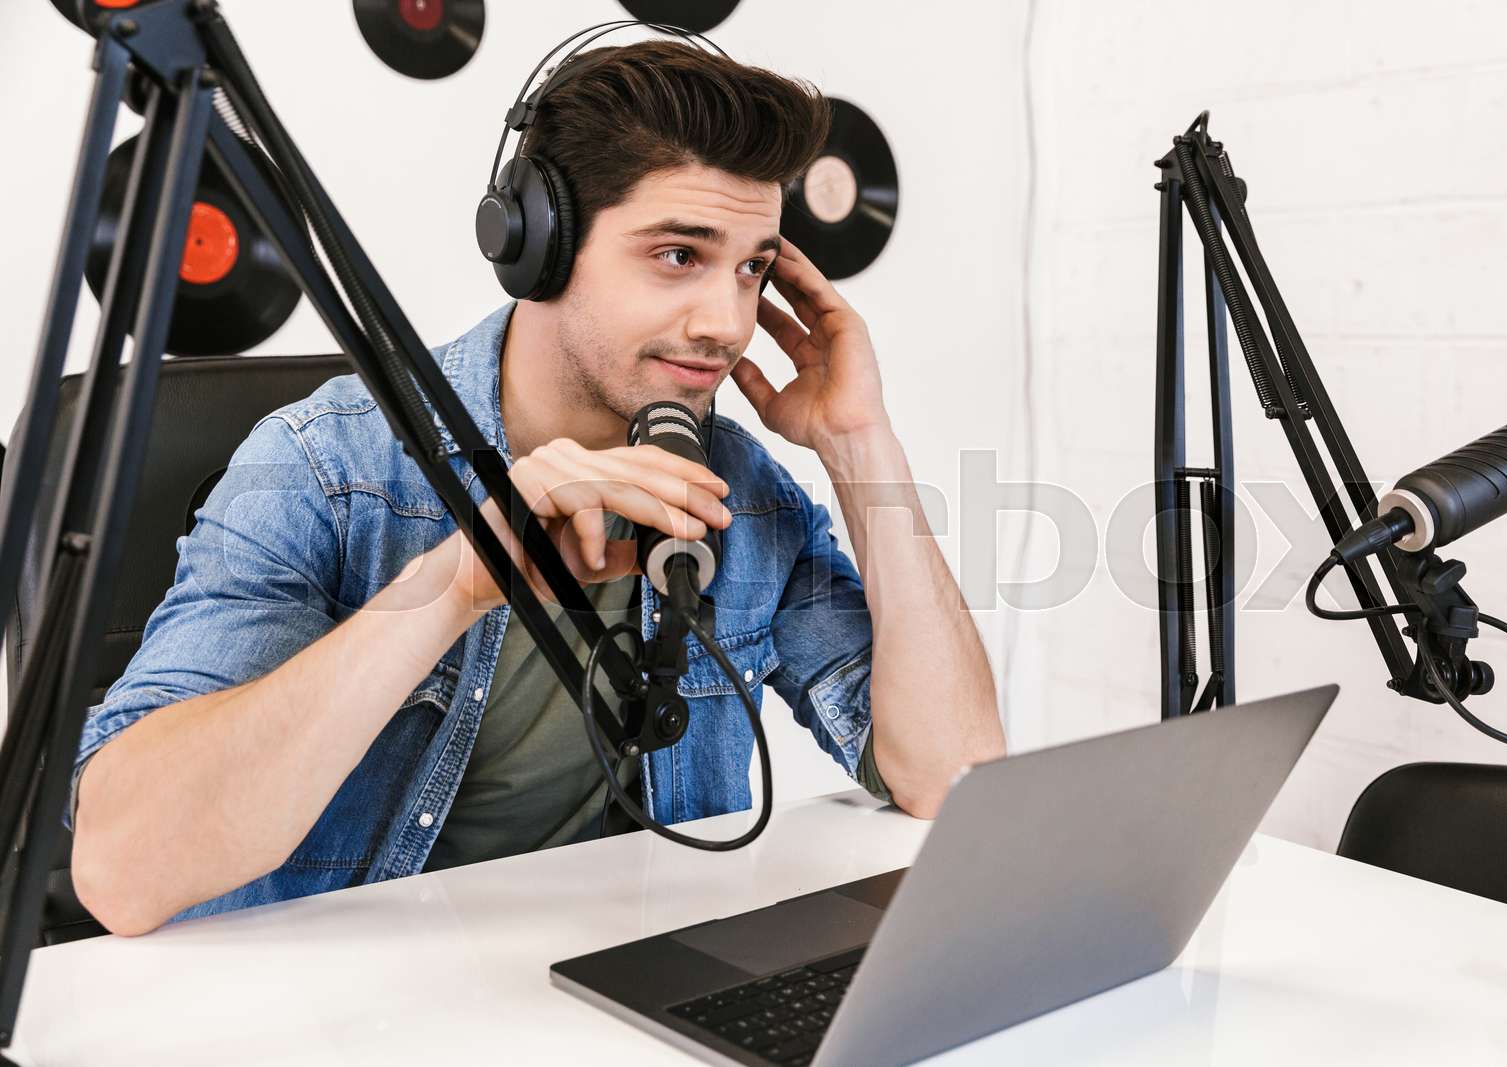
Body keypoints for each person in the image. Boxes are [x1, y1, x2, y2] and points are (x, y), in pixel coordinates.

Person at [67, 39, 1005, 937]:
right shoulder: (325, 466)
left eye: (753, 267)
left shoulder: (743, 494)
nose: (727, 323)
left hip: (606, 999)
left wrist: (859, 442)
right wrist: (459, 582)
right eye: (679, 255)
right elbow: (120, 869)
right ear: (537, 244)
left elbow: (951, 777)